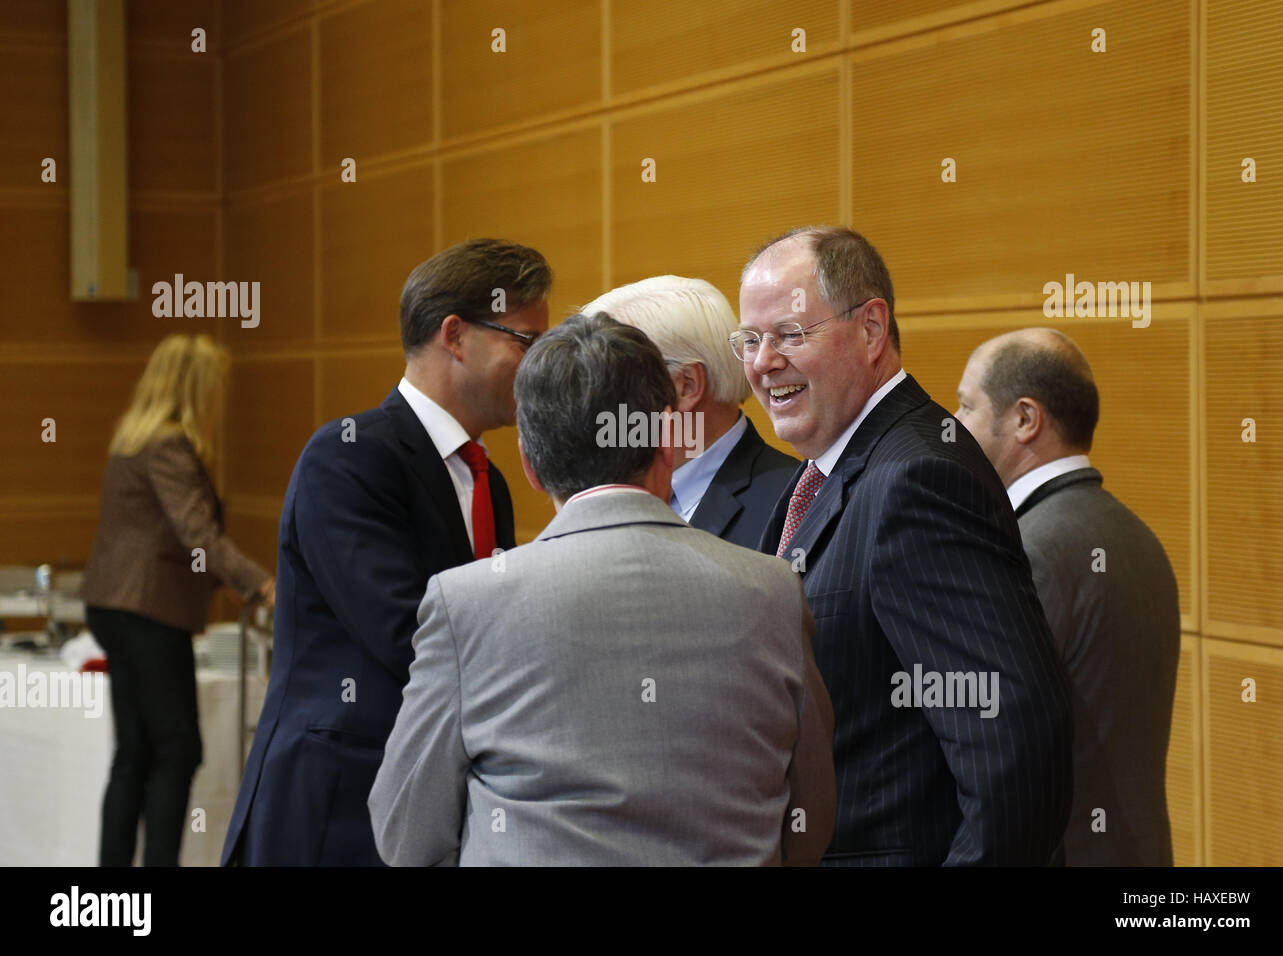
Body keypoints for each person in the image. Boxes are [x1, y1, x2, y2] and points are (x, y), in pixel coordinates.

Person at [368, 312, 836, 866]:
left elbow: (405, 833)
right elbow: (810, 823)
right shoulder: (773, 590)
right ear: (667, 443)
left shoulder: (466, 603)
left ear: (529, 465)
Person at [737, 226, 1072, 865]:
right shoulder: (821, 477)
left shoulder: (919, 479)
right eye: (750, 340)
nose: (762, 362)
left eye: (789, 333)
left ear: (870, 329)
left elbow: (1017, 750)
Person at [222, 239, 551, 865]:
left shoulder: (491, 481)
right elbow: (412, 632)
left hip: (430, 801)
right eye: (525, 341)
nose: (537, 366)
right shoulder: (349, 455)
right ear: (455, 336)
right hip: (338, 805)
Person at [955, 328, 1179, 866]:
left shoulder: (1025, 552)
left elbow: (991, 751)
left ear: (1025, 420)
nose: (953, 427)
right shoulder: (1139, 536)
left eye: (966, 406)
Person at [81, 333, 274, 866]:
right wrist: (259, 582)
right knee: (177, 749)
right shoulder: (169, 442)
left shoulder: (133, 437)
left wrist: (223, 582)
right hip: (148, 613)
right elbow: (198, 535)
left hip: (116, 606)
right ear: (195, 386)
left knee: (135, 754)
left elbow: (163, 537)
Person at [582, 276, 797, 547]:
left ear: (686, 385)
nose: (591, 401)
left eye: (610, 377)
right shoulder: (597, 489)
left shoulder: (794, 506)